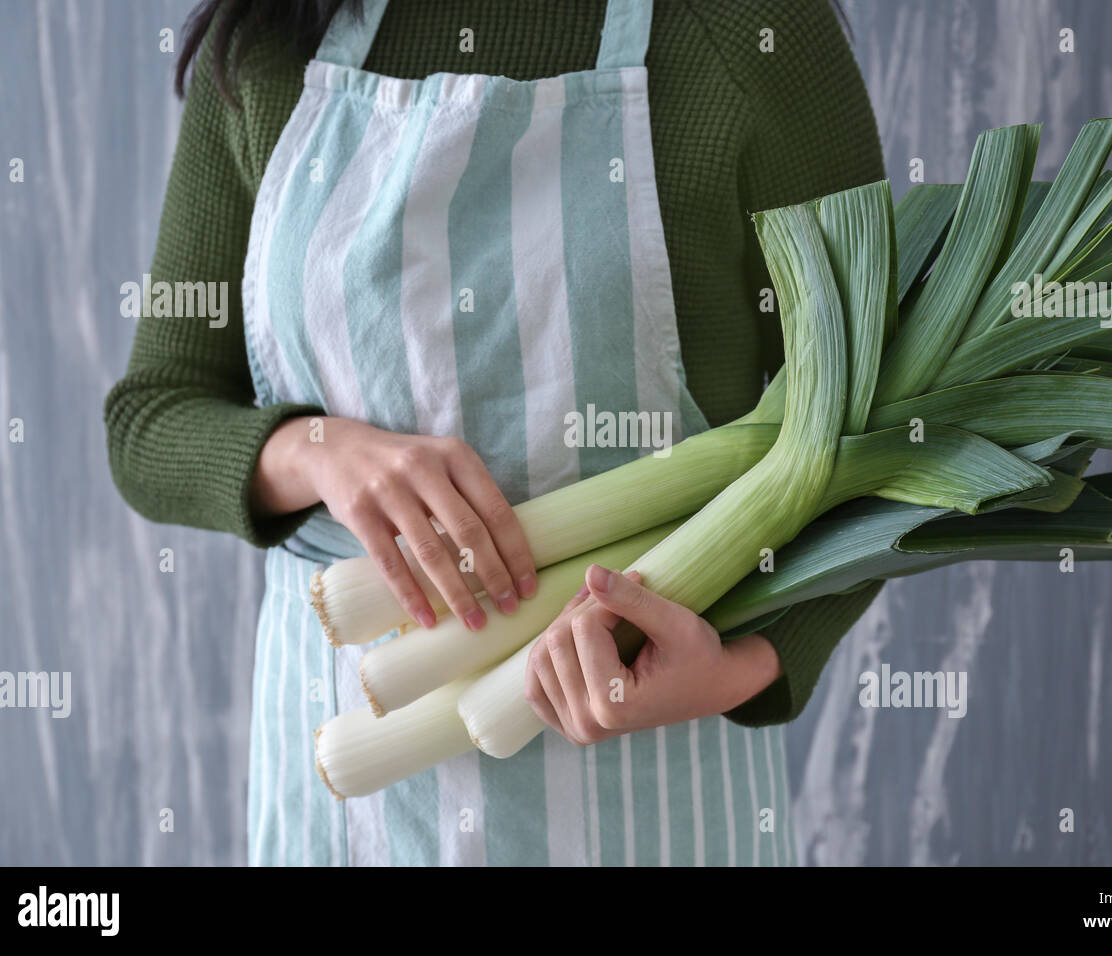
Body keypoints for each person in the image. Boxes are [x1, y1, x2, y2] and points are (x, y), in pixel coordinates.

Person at [105, 0, 884, 866]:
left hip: (651, 791)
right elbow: (152, 419)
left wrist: (744, 670)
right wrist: (314, 451)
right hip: (345, 801)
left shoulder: (747, 30)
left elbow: (886, 419)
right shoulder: (274, 34)